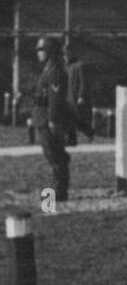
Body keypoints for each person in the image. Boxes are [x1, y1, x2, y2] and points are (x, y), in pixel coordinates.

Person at [31, 36, 75, 202]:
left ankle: (60, 192)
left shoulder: (55, 71)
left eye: (41, 50)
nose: (38, 53)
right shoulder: (49, 68)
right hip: (42, 117)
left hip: (48, 119)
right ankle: (58, 188)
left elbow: (55, 101)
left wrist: (53, 121)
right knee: (53, 155)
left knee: (55, 155)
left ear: (50, 52)